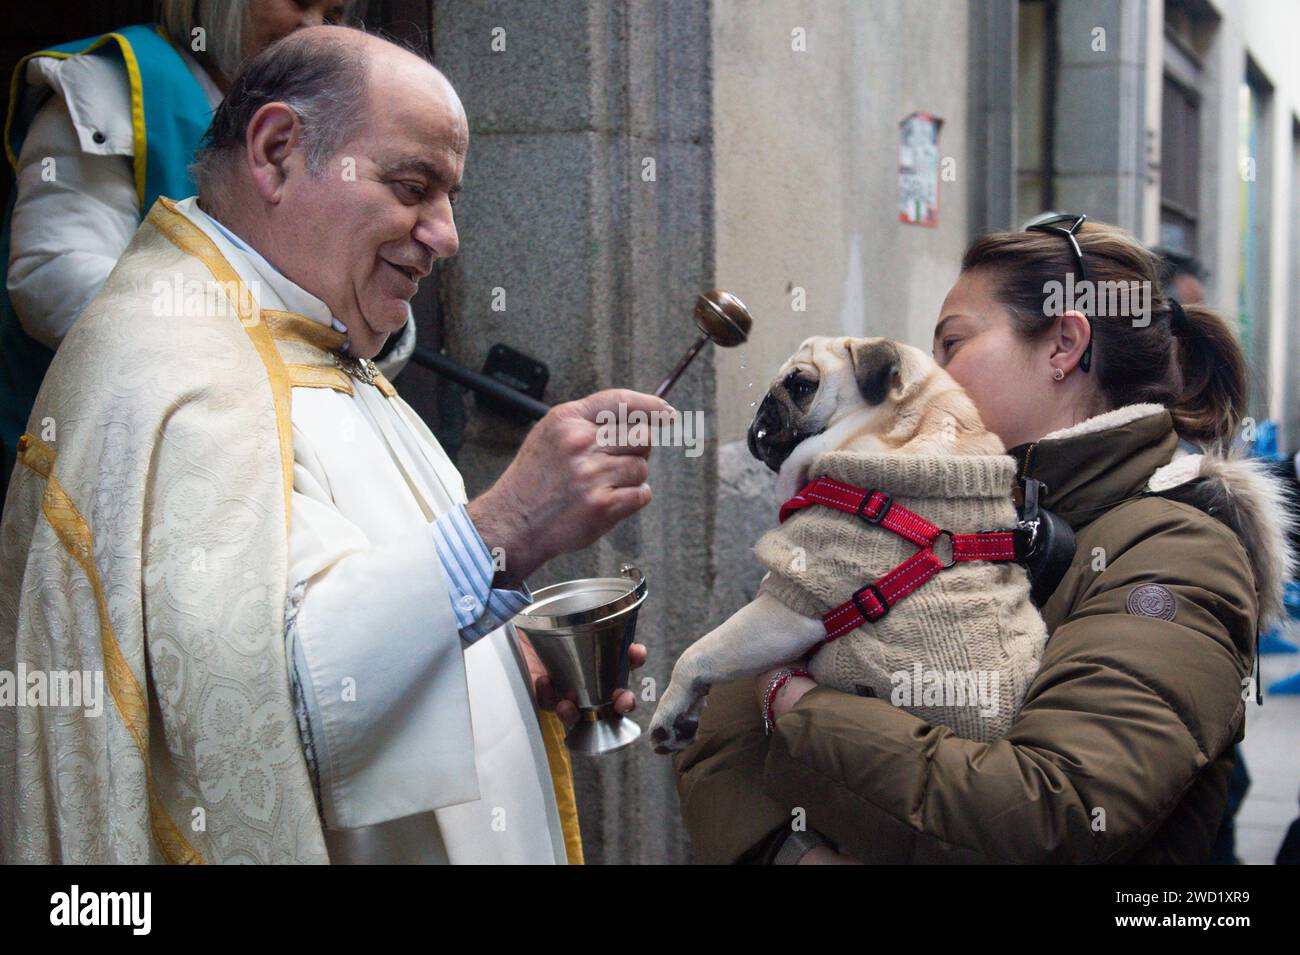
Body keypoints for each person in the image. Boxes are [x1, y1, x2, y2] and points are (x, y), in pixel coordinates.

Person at [0, 26, 665, 864]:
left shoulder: (310, 337)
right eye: (412, 185)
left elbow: (352, 618)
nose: (445, 234)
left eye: (449, 195)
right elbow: (244, 721)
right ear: (277, 152)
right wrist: (511, 524)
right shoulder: (168, 367)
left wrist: (499, 670)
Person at [674, 215, 1295, 864]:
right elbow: (722, 733)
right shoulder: (915, 514)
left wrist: (799, 705)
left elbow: (1055, 808)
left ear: (1063, 345)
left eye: (952, 345)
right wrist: (795, 856)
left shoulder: (1178, 555)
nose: (924, 376)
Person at [0, 2, 424, 508]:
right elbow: (53, 279)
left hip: (270, 474)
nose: (314, 27)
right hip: (112, 465)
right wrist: (259, 345)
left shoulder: (322, 123)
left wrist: (377, 316)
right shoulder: (110, 82)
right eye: (297, 0)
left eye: (331, 10)